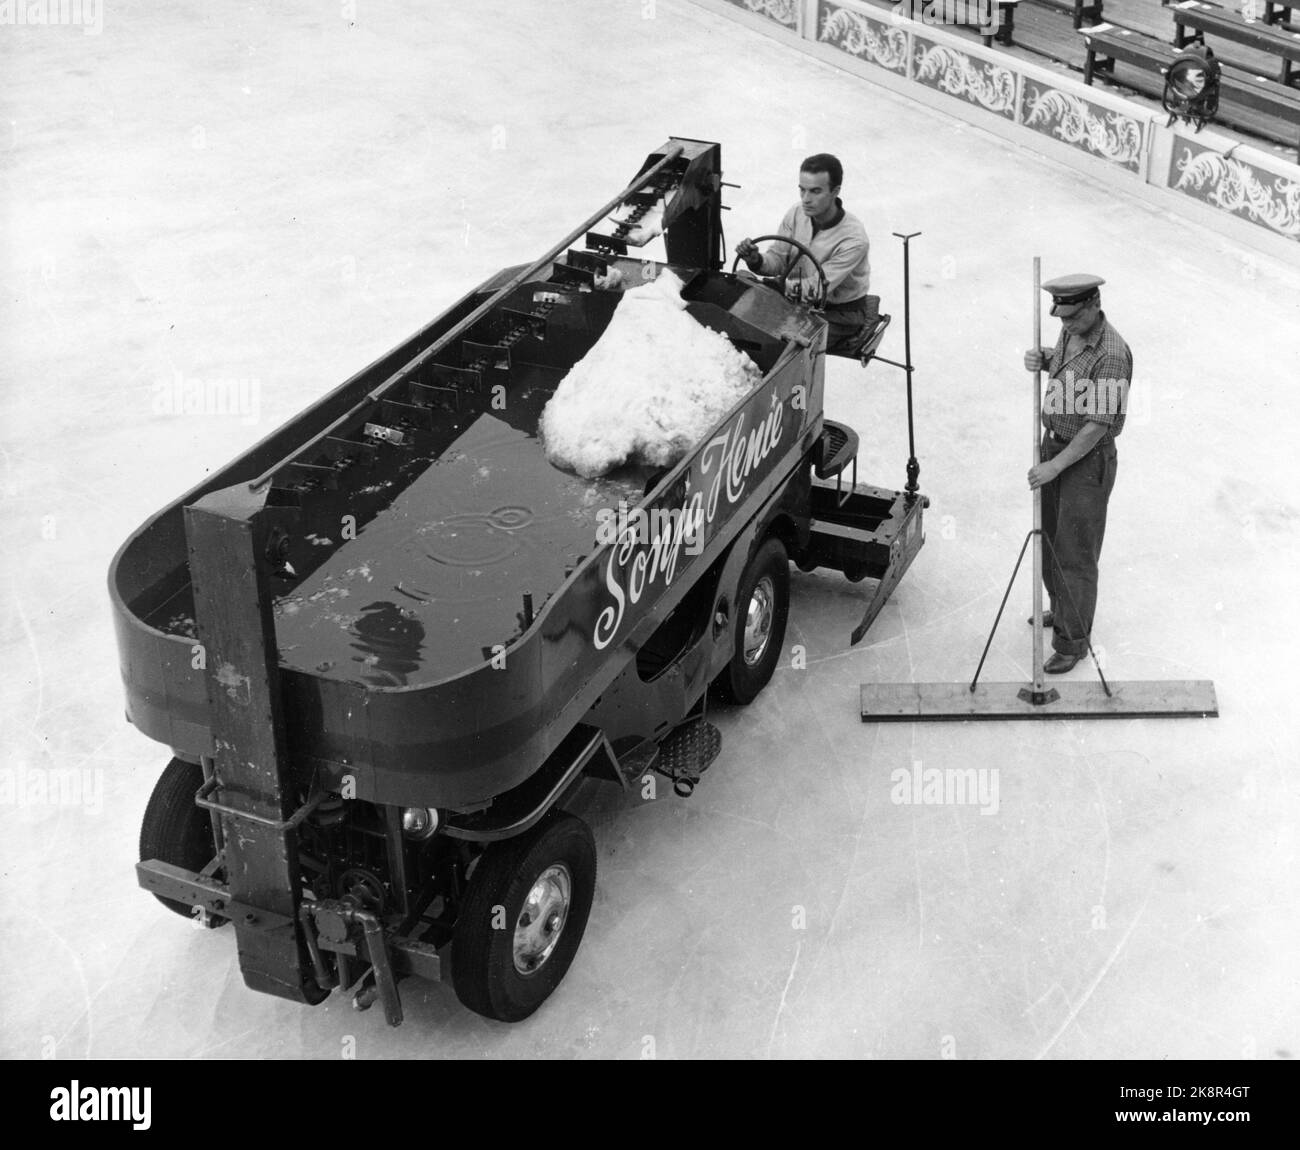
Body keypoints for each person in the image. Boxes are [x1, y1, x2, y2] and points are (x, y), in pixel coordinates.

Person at [1023, 274, 1133, 674]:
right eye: (1061, 318)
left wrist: (1054, 465)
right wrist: (1045, 357)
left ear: (1093, 306)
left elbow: (1096, 426)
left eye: (1071, 318)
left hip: (1085, 462)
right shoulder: (1072, 330)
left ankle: (1072, 642)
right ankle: (1061, 609)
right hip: (1055, 446)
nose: (1064, 325)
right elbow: (1070, 367)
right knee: (1050, 538)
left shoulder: (1113, 355)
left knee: (1075, 553)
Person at [735, 153, 872, 356]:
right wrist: (758, 260)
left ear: (835, 191)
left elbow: (817, 288)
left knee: (784, 347)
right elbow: (779, 259)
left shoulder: (853, 239)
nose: (806, 199)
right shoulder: (797, 213)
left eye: (816, 191)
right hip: (797, 300)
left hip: (839, 314)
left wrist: (772, 286)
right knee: (743, 320)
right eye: (802, 190)